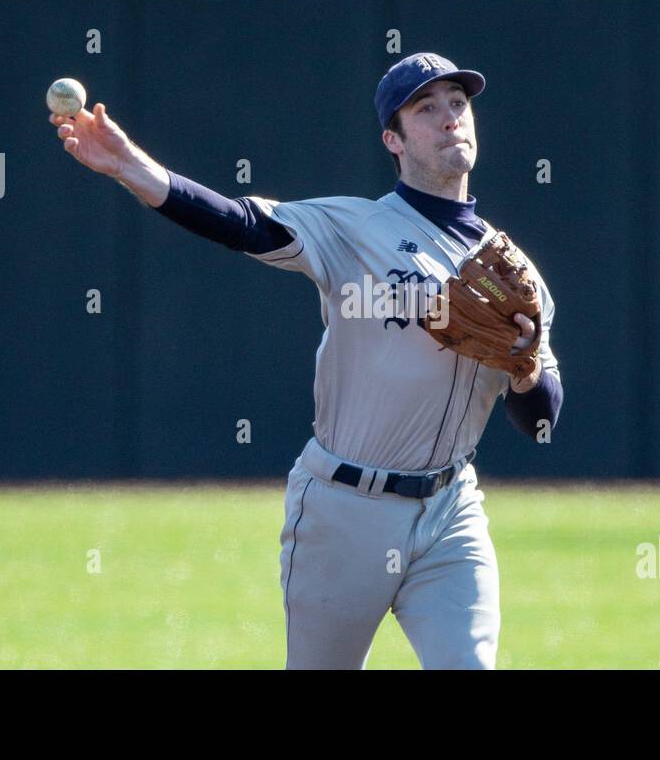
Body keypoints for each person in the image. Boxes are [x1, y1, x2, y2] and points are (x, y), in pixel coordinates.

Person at [50, 52, 563, 669]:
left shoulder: (516, 276)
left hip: (451, 511)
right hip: (346, 509)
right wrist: (131, 167)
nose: (450, 117)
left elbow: (541, 420)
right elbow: (241, 223)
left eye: (458, 104)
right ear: (393, 140)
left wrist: (525, 365)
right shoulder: (351, 227)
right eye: (426, 109)